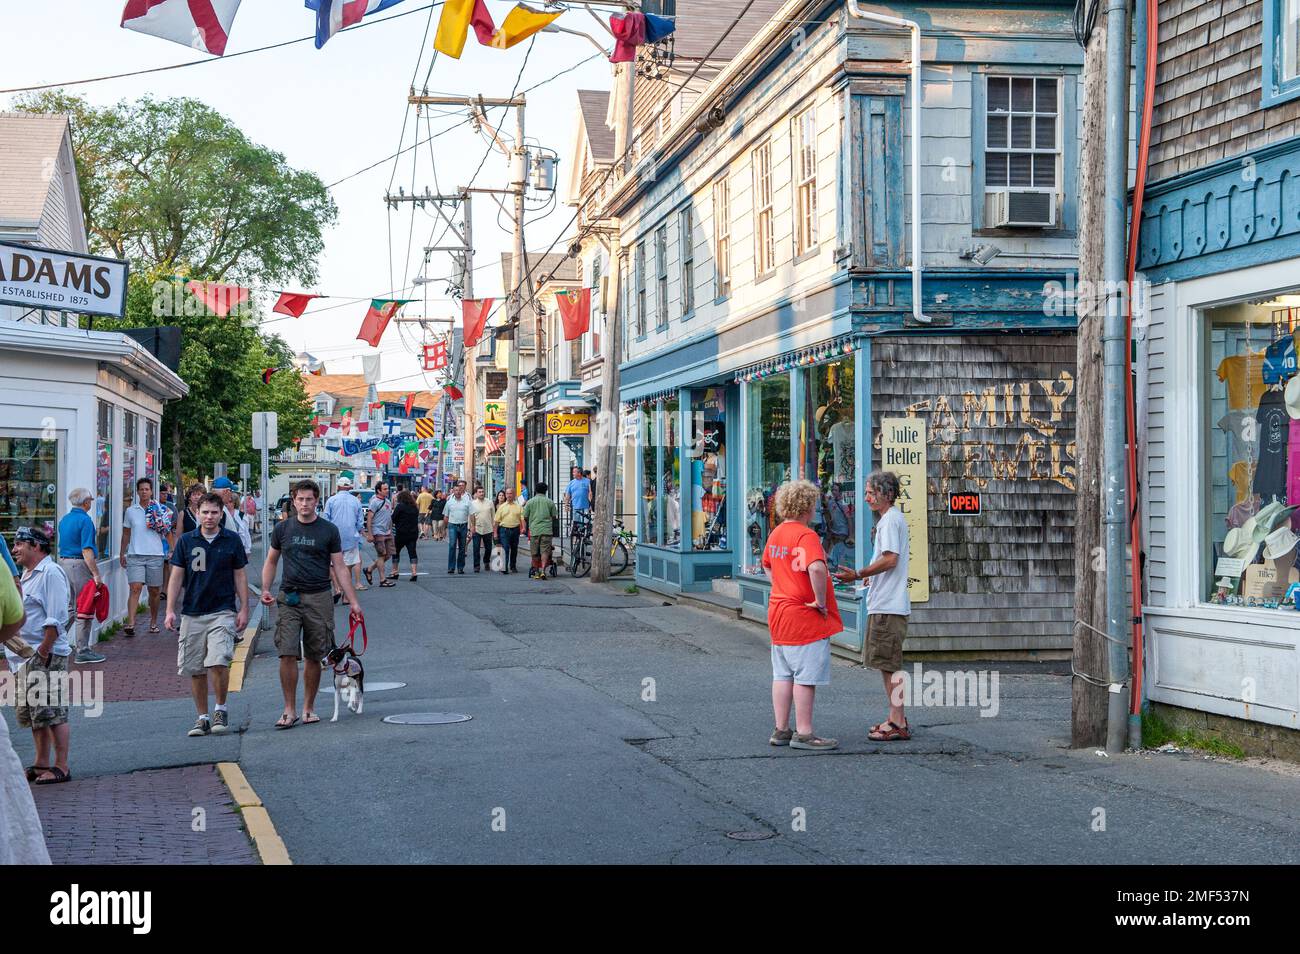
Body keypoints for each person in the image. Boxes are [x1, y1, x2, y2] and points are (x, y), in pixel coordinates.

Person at [260, 480, 362, 729]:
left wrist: (353, 602)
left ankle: (308, 707)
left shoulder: (328, 530)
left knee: (315, 655)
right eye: (300, 499)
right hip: (289, 597)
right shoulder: (283, 529)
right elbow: (272, 561)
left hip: (319, 597)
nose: (304, 504)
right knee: (287, 652)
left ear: (317, 501)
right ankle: (289, 709)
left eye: (309, 499)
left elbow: (339, 566)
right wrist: (265, 589)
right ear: (293, 501)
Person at [762, 480, 842, 752]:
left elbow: (767, 566)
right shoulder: (806, 536)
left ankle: (781, 728)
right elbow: (817, 569)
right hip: (803, 615)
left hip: (779, 611)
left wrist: (782, 586)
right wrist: (820, 600)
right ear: (807, 506)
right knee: (805, 676)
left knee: (782, 673)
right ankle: (804, 733)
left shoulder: (775, 534)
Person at [835, 470, 912, 742]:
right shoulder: (889, 520)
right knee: (887, 664)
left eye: (871, 493)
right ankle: (894, 717)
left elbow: (891, 559)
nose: (866, 498)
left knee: (891, 665)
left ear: (886, 494)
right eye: (866, 492)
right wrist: (869, 581)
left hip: (889, 606)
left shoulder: (890, 521)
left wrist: (860, 574)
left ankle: (898, 721)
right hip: (885, 602)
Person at [165, 493, 249, 737]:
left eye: (214, 512)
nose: (210, 517)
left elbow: (240, 575)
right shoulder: (186, 541)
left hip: (222, 609)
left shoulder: (230, 540)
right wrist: (170, 609)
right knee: (195, 667)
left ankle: (220, 708)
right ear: (197, 513)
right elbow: (176, 576)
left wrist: (243, 607)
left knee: (219, 659)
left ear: (221, 514)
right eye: (205, 512)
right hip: (192, 611)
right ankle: (202, 717)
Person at [9, 527, 73, 784]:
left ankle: (62, 766)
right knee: (37, 714)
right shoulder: (26, 574)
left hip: (44, 654)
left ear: (36, 546)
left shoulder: (50, 572)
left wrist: (43, 651)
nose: (14, 549)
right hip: (25, 656)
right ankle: (41, 762)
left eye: (19, 544)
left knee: (53, 712)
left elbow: (56, 616)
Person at [57, 487, 106, 664]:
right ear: (86, 502)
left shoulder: (64, 520)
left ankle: (53, 638)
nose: (91, 503)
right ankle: (82, 649)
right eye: (90, 501)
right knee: (84, 608)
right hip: (79, 564)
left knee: (71, 607)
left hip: (64, 563)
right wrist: (96, 574)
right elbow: (86, 550)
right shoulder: (85, 521)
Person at [120, 477, 169, 637]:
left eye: (147, 489)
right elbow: (126, 533)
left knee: (154, 591)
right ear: (137, 491)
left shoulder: (160, 509)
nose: (144, 492)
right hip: (135, 554)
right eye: (141, 489)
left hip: (155, 554)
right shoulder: (131, 511)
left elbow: (167, 532)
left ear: (151, 491)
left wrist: (173, 550)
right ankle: (131, 623)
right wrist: (122, 552)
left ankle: (153, 622)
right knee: (135, 588)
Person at [323, 476, 366, 600]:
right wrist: (357, 531)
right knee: (347, 566)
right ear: (349, 487)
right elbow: (359, 521)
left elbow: (326, 519)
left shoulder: (331, 500)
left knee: (332, 565)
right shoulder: (356, 501)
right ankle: (346, 595)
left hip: (333, 537)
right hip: (351, 538)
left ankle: (337, 588)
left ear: (338, 487)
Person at [521, 482, 558, 580]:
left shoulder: (530, 502)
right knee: (545, 551)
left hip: (534, 530)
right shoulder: (550, 502)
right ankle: (543, 571)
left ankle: (536, 571)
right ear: (546, 491)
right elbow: (554, 516)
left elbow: (525, 516)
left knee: (535, 552)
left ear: (535, 490)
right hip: (546, 530)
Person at [363, 481, 396, 588]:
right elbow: (369, 518)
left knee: (388, 555)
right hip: (378, 532)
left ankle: (369, 569)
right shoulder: (374, 502)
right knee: (381, 555)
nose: (387, 491)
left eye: (387, 489)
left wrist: (391, 530)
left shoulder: (388, 501)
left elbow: (389, 517)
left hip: (388, 532)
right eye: (385, 489)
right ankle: (383, 580)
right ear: (379, 491)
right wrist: (370, 534)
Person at [212, 477, 252, 558]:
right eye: (231, 491)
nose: (231, 495)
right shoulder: (218, 510)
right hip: (222, 556)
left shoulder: (208, 507)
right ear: (226, 491)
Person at [443, 480, 472, 574]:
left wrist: (472, 526)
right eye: (456, 490)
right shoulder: (449, 502)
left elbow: (471, 515)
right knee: (452, 546)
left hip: (463, 525)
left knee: (462, 547)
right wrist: (444, 529)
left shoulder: (467, 501)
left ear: (461, 491)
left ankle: (460, 567)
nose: (458, 492)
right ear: (453, 491)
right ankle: (451, 567)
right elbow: (446, 516)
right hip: (452, 526)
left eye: (459, 490)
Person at [392, 490, 421, 581]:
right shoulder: (414, 507)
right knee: (412, 552)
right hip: (413, 533)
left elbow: (393, 518)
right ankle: (414, 572)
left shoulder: (400, 506)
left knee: (396, 552)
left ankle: (395, 572)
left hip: (401, 533)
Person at [494, 487, 524, 574]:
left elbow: (522, 518)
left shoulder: (518, 507)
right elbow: (496, 521)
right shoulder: (501, 507)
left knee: (514, 549)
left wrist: (523, 528)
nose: (509, 495)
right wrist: (495, 533)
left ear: (514, 495)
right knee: (505, 548)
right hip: (504, 530)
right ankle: (504, 567)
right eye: (507, 493)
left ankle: (513, 566)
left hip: (515, 530)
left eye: (510, 493)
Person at [824, 485, 852, 570]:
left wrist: (851, 535)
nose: (833, 492)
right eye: (832, 490)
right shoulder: (830, 502)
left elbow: (849, 519)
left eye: (835, 490)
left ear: (840, 492)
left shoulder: (843, 504)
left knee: (840, 554)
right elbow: (828, 514)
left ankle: (839, 569)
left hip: (842, 532)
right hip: (833, 532)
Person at [469, 486, 495, 573]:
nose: (481, 493)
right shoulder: (472, 503)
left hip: (488, 528)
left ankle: (486, 561)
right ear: (476, 493)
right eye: (479, 492)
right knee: (476, 548)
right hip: (477, 528)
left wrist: (494, 528)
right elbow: (470, 516)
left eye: (483, 492)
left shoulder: (490, 502)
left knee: (488, 548)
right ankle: (476, 566)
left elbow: (493, 516)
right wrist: (471, 527)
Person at [565, 465, 593, 532]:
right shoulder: (571, 483)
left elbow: (591, 493)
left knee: (586, 525)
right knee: (576, 526)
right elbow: (568, 495)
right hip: (575, 508)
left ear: (579, 473)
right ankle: (576, 541)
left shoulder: (588, 481)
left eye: (574, 472)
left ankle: (585, 540)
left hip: (585, 508)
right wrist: (566, 505)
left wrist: (591, 505)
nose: (573, 473)